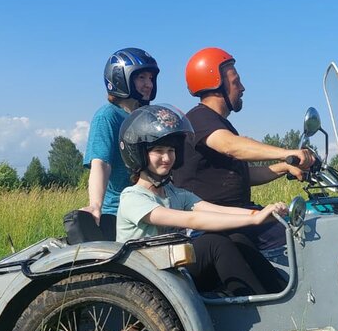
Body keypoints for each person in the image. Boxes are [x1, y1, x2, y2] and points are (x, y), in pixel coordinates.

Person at [117, 105, 289, 297]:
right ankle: (259, 306)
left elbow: (216, 210)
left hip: (170, 270)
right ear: (139, 154)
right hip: (147, 278)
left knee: (237, 238)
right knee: (214, 243)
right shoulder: (133, 198)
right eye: (158, 151)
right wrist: (254, 219)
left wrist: (262, 214)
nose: (167, 158)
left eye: (171, 150)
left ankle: (282, 294)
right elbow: (191, 220)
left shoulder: (175, 193)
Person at [172, 47, 315, 249]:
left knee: (309, 219)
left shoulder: (217, 122)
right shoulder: (199, 119)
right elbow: (231, 146)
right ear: (216, 85)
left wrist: (284, 167)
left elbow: (241, 175)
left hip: (237, 216)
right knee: (303, 236)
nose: (242, 88)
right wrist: (288, 152)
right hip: (215, 224)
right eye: (235, 82)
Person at [80, 47, 159, 240]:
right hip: (120, 214)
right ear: (120, 78)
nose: (148, 84)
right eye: (141, 78)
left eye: (151, 78)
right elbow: (101, 163)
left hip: (152, 206)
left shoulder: (146, 117)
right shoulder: (108, 116)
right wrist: (95, 206)